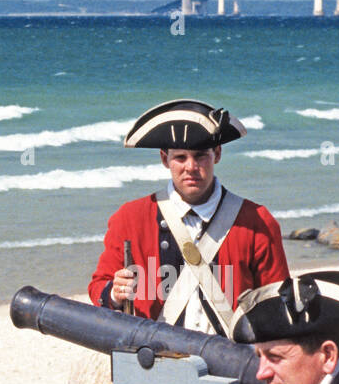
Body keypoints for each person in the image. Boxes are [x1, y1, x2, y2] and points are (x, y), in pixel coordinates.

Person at [88, 99, 289, 335]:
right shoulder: (129, 219)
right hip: (153, 361)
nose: (191, 167)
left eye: (200, 156)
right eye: (180, 157)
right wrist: (115, 293)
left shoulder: (258, 222)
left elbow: (277, 304)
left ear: (217, 154)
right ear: (165, 159)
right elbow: (99, 288)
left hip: (232, 362)